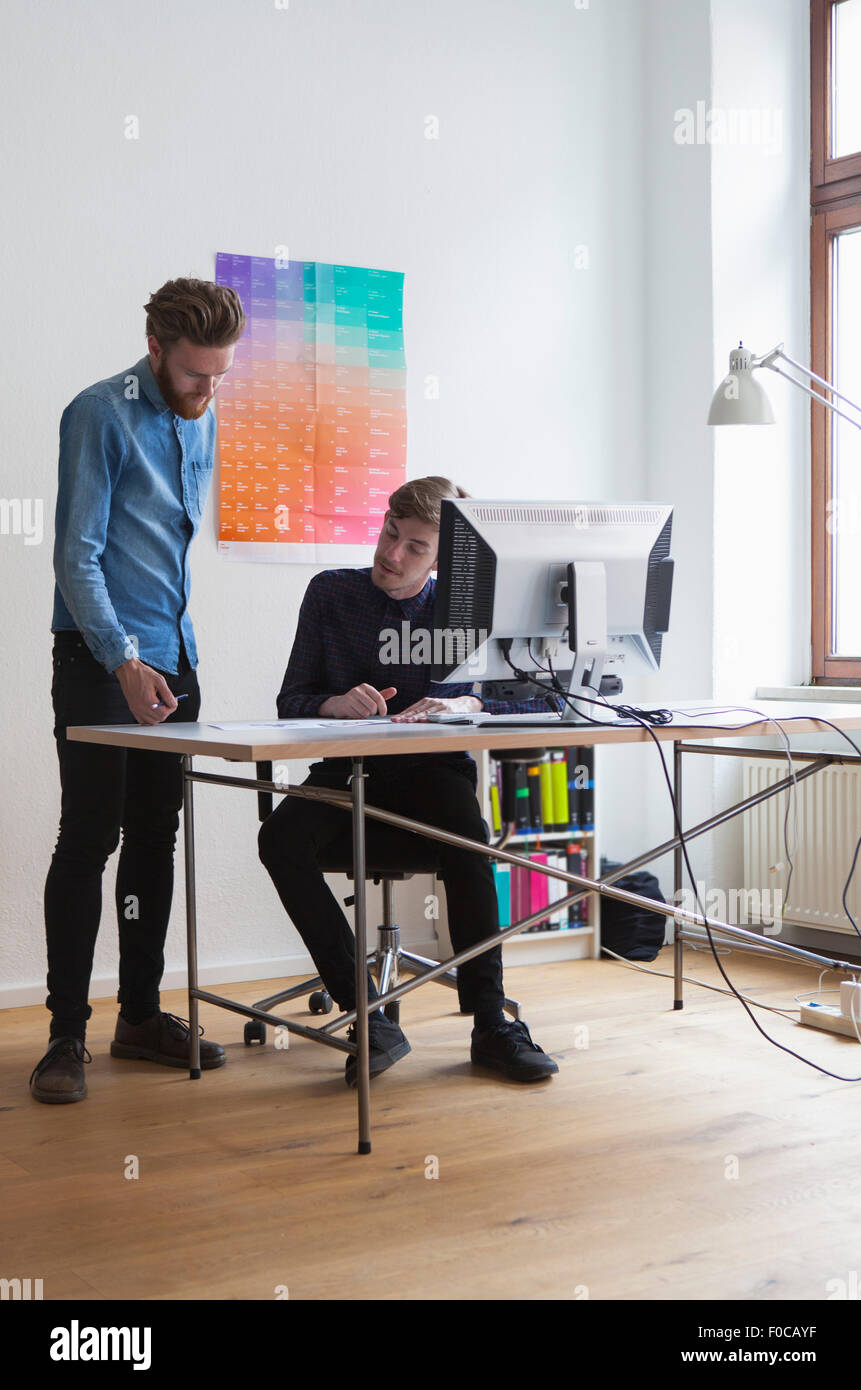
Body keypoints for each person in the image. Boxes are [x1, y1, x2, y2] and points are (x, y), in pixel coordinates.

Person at [258, 476, 561, 1086]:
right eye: (390, 533)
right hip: (348, 773)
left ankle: (491, 1025)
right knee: (279, 839)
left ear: (445, 560)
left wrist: (466, 705)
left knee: (470, 845)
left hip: (432, 773)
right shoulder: (330, 593)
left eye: (415, 547)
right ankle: (366, 1011)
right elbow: (291, 699)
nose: (392, 554)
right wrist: (331, 704)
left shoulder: (470, 611)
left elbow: (535, 701)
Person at [31, 278, 246, 1104]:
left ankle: (140, 1016)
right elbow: (76, 556)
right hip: (98, 662)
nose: (208, 391)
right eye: (196, 375)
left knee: (156, 837)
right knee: (89, 838)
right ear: (155, 349)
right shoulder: (98, 413)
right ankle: (63, 1037)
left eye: (220, 375)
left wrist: (167, 659)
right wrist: (122, 658)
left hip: (175, 660)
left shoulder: (204, 416)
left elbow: (170, 552)